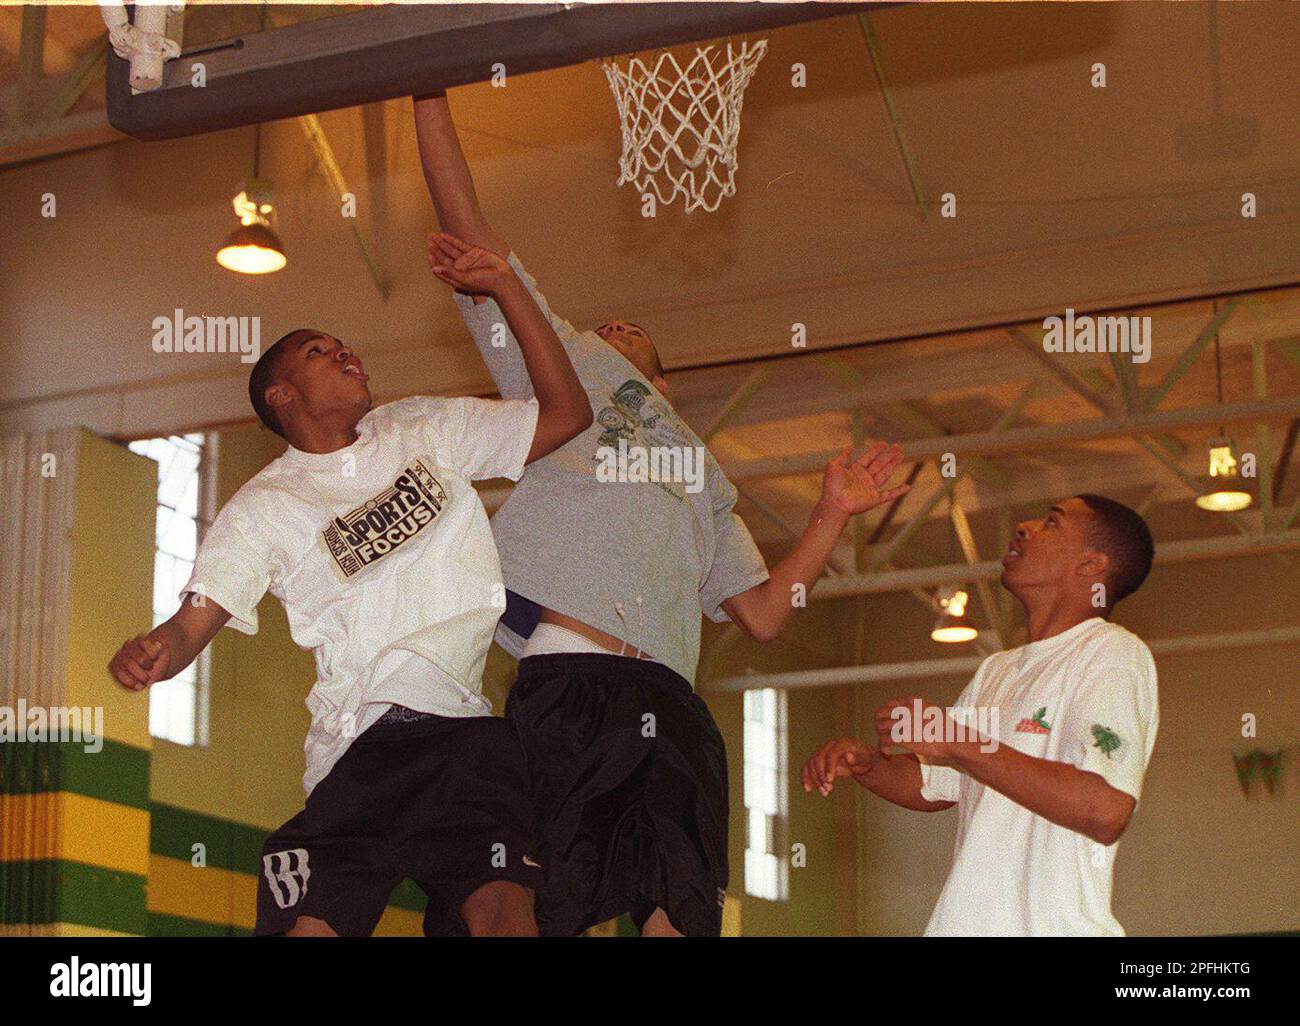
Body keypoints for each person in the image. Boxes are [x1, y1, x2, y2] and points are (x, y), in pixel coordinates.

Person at [413, 91, 910, 937]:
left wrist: (829, 514)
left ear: (666, 383)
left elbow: (760, 613)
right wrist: (430, 90)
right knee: (546, 903)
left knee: (678, 910)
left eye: (632, 329)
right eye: (604, 325)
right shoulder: (562, 370)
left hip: (672, 701)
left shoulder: (704, 476)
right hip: (572, 679)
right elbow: (474, 229)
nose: (613, 326)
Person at [107, 240, 592, 936]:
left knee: (504, 907)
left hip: (463, 732)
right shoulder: (266, 505)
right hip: (359, 745)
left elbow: (566, 414)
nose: (344, 353)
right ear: (283, 396)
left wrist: (509, 288)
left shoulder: (425, 428)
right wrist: (156, 647)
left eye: (343, 344)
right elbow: (196, 618)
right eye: (318, 352)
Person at [804, 495, 1159, 936]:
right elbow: (932, 784)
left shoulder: (1110, 653)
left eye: (1051, 522)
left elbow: (1104, 809)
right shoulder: (998, 670)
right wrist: (868, 764)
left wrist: (958, 741)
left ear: (1091, 565)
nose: (1025, 526)